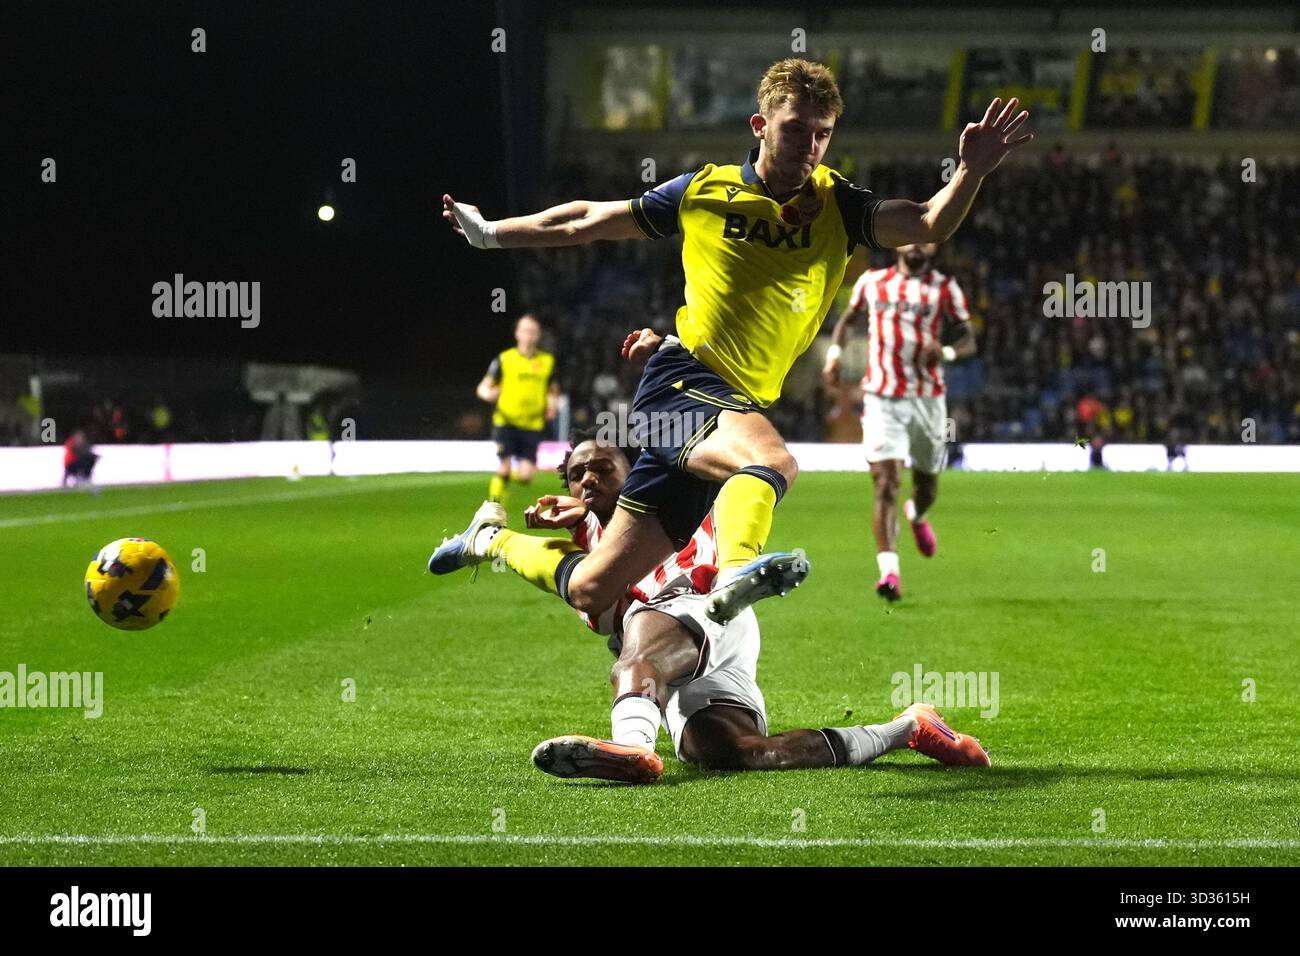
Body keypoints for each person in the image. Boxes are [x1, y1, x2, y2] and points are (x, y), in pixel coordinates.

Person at [433, 58, 1032, 633]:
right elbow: (586, 218)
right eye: (796, 130)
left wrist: (970, 172)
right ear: (760, 126)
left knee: (594, 587)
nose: (810, 147)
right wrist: (489, 235)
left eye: (822, 135)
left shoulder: (838, 206)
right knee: (772, 463)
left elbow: (927, 221)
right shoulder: (702, 191)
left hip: (724, 409)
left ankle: (489, 540)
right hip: (681, 383)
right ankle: (737, 573)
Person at [517, 430, 990, 783]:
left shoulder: (667, 500)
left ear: (634, 470)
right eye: (578, 473)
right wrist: (584, 522)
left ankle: (631, 749)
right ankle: (909, 728)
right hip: (695, 650)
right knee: (743, 753)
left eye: (602, 466)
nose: (588, 478)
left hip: (695, 608)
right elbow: (599, 610)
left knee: (636, 653)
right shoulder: (588, 552)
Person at [824, 242, 975, 601]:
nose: (917, 245)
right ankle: (889, 573)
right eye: (910, 238)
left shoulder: (944, 288)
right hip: (881, 396)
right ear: (898, 243)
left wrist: (947, 351)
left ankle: (918, 514)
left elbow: (969, 337)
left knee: (926, 486)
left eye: (925, 239)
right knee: (886, 482)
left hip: (927, 399)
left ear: (934, 245)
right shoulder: (872, 282)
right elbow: (848, 320)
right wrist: (834, 355)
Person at [475, 313, 559, 508]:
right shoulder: (504, 360)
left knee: (526, 476)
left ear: (538, 336)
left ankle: (503, 478)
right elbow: (483, 387)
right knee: (504, 469)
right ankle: (494, 509)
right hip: (506, 421)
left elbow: (552, 390)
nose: (529, 335)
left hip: (532, 424)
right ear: (517, 334)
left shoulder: (547, 362)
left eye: (533, 332)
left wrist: (552, 404)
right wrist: (488, 394)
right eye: (525, 331)